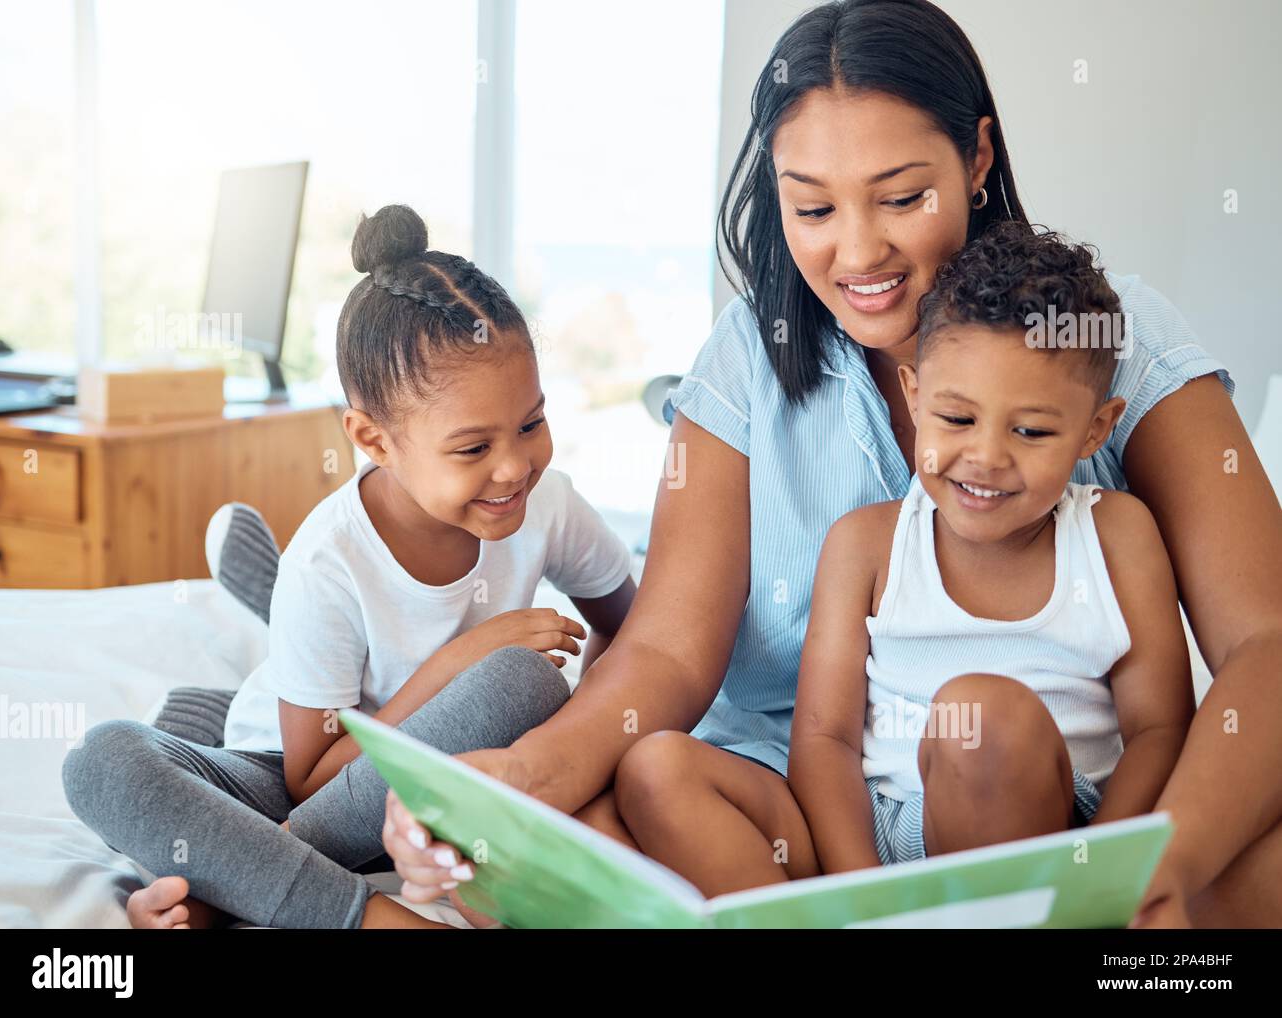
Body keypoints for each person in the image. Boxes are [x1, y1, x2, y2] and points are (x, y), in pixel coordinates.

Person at [380, 0, 1278, 927]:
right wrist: (521, 779)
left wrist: (1166, 856)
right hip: (807, 810)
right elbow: (663, 651)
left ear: (976, 160)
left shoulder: (1098, 334)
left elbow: (1266, 645)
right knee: (542, 846)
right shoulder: (746, 357)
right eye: (811, 206)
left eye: (899, 198)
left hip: (1046, 799)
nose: (858, 253)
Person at [62, 205, 636, 929]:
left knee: (526, 682)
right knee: (105, 760)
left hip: (443, 789)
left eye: (532, 423)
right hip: (295, 782)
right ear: (374, 440)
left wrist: (577, 738)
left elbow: (639, 633)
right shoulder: (328, 559)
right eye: (472, 449)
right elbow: (308, 783)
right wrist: (457, 662)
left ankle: (237, 883)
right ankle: (362, 917)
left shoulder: (548, 503)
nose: (515, 466)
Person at [615, 222, 1196, 892]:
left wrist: (1101, 881)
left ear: (1096, 427)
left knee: (978, 718)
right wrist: (862, 889)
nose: (985, 457)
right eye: (956, 419)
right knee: (655, 768)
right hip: (881, 832)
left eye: (1031, 431)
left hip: (1050, 836)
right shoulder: (867, 543)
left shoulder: (1117, 534)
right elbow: (824, 740)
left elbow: (1159, 729)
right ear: (916, 398)